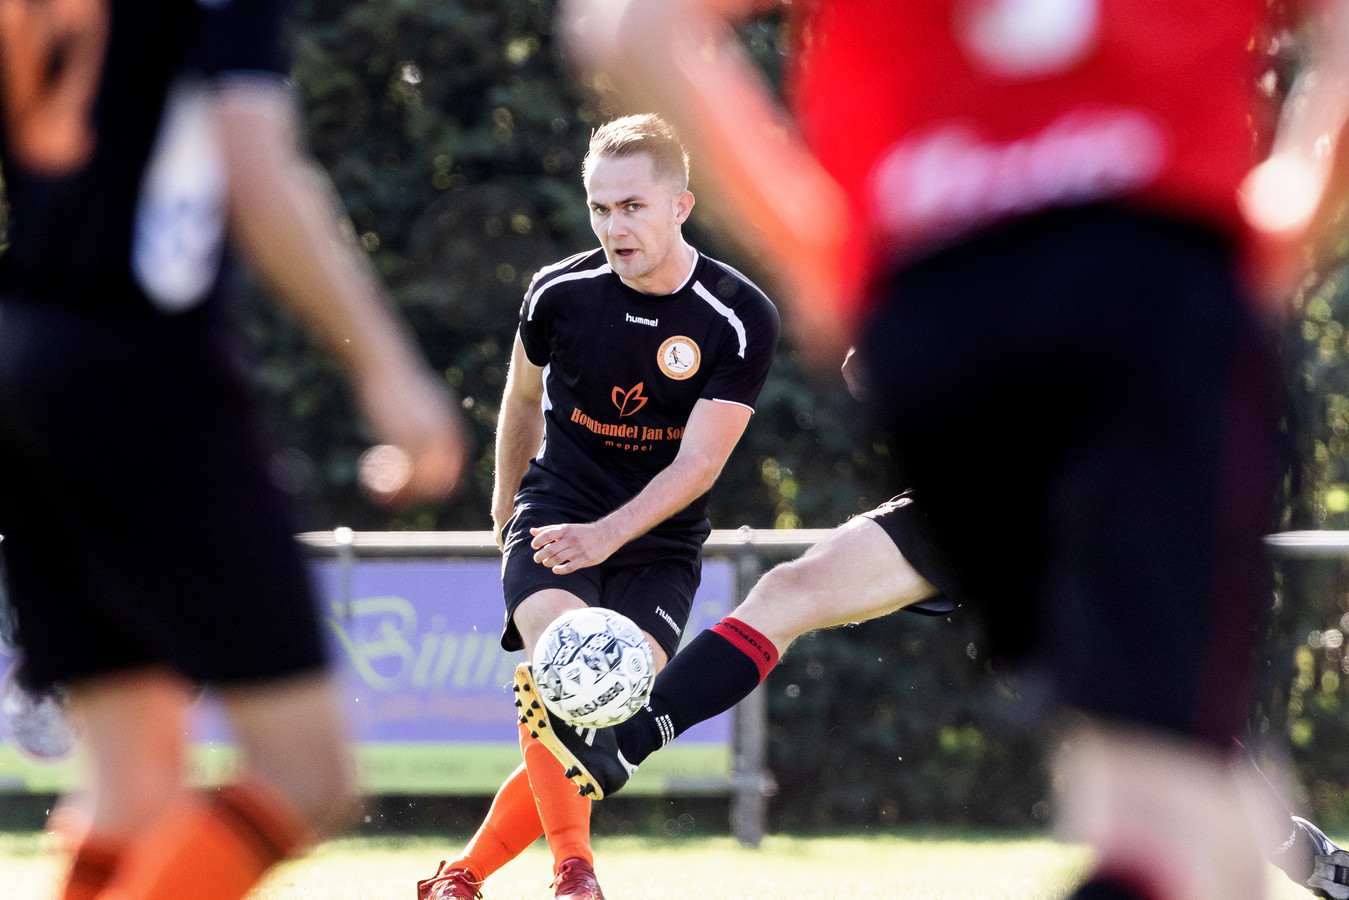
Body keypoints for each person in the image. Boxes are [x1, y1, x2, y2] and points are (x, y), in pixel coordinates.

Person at [541, 1, 1349, 899]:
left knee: (1151, 749)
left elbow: (626, 28)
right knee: (1157, 766)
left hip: (950, 317)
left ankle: (1287, 849)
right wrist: (1287, 222)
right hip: (1153, 291)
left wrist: (828, 261)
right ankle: (630, 739)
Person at [0, 3, 469, 900]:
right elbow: (256, 167)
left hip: (28, 361)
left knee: (131, 788)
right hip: (143, 370)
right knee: (308, 773)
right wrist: (387, 370)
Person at [414, 113, 779, 900]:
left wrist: (609, 536)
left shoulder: (737, 315)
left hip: (657, 540)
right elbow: (520, 398)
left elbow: (702, 461)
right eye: (600, 208)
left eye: (633, 207)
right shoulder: (558, 291)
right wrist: (504, 509)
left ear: (680, 205)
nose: (615, 226)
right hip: (557, 508)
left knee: (603, 708)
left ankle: (461, 876)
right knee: (566, 667)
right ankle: (572, 874)